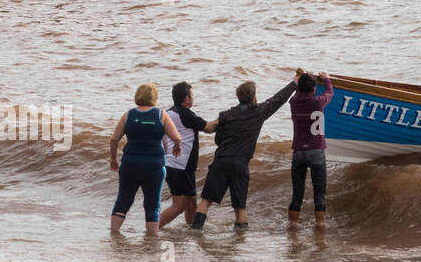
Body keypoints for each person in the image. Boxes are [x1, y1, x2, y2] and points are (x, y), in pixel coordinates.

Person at [190, 77, 296, 230]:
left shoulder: (225, 115)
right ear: (254, 97)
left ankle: (195, 233)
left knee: (206, 201)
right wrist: (294, 83)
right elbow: (279, 99)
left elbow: (218, 140)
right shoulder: (259, 112)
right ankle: (239, 243)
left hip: (221, 161)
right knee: (240, 207)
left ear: (238, 97)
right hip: (240, 163)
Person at [109, 84, 182, 236]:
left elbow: (114, 139)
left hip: (130, 164)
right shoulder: (161, 114)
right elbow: (176, 136)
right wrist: (177, 145)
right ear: (154, 98)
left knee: (123, 200)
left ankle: (114, 235)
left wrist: (113, 159)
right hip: (154, 166)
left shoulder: (128, 115)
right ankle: (152, 241)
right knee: (152, 205)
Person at [159, 81, 215, 227]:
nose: (193, 98)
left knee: (191, 202)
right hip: (180, 166)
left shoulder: (168, 112)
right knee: (179, 206)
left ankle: (193, 231)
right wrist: (227, 117)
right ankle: (152, 228)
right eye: (192, 95)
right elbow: (208, 128)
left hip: (175, 165)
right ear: (186, 99)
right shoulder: (186, 115)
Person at [288, 69, 334, 227]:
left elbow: (297, 91)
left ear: (299, 88)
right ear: (314, 89)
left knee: (297, 195)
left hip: (299, 153)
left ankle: (292, 227)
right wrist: (326, 79)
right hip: (316, 152)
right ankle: (320, 228)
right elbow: (330, 92)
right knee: (319, 195)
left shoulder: (293, 103)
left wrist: (300, 78)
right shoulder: (318, 102)